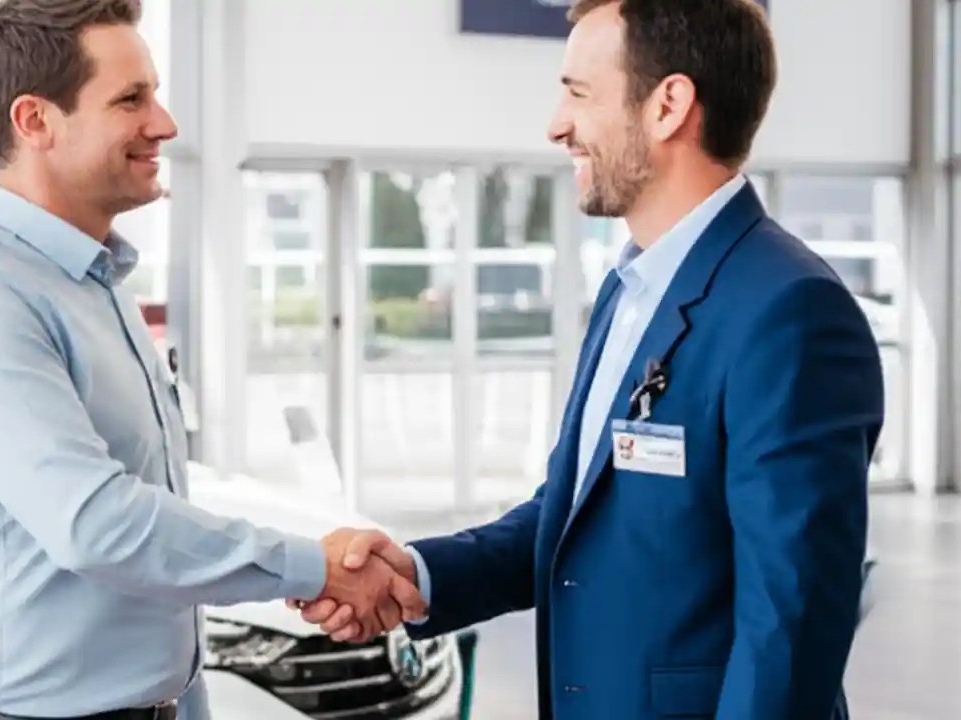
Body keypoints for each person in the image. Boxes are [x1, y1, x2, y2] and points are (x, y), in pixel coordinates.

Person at [298, 1, 884, 718]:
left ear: (669, 105)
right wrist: (416, 573)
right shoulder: (629, 291)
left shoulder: (791, 312)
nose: (556, 124)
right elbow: (572, 515)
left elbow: (791, 628)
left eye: (577, 93)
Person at [0, 2, 423, 719]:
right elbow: (98, 524)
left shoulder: (94, 283)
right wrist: (314, 565)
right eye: (130, 99)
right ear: (35, 121)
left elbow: (148, 520)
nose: (164, 124)